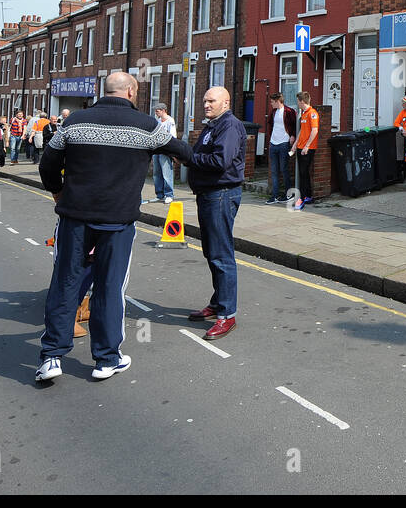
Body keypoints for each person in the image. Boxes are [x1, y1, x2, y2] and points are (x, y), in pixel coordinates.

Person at [34, 72, 192, 383]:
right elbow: (183, 152)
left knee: (65, 283)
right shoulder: (147, 126)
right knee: (109, 288)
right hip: (117, 221)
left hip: (74, 217)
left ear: (104, 91)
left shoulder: (75, 121)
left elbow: (47, 163)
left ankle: (51, 356)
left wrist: (59, 193)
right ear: (132, 91)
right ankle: (106, 359)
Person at [185, 86, 247, 340]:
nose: (206, 104)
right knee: (212, 252)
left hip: (221, 195)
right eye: (204, 100)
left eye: (211, 100)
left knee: (221, 254)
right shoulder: (213, 125)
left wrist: (189, 157)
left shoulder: (229, 126)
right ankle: (218, 302)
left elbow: (219, 161)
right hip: (209, 195)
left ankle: (227, 315)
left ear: (226, 103)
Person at [264, 93, 296, 204]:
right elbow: (270, 126)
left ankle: (289, 194)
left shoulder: (289, 111)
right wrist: (270, 140)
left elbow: (294, 125)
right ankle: (275, 196)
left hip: (284, 143)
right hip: (273, 144)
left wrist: (292, 135)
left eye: (272, 102)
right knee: (274, 171)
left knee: (284, 169)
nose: (271, 104)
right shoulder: (273, 112)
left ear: (278, 101)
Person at [291, 91, 320, 208]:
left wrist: (307, 146)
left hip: (307, 148)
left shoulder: (312, 113)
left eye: (298, 101)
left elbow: (314, 131)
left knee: (303, 172)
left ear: (302, 101)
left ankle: (303, 198)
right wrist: (295, 145)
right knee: (303, 173)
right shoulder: (303, 114)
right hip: (300, 147)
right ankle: (307, 196)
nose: (297, 103)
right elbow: (302, 132)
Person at [151, 102, 177, 203]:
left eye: (157, 111)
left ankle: (169, 194)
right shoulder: (158, 121)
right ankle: (159, 194)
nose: (156, 113)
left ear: (163, 111)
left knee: (167, 173)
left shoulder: (170, 121)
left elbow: (172, 136)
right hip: (156, 149)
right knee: (156, 173)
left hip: (165, 150)